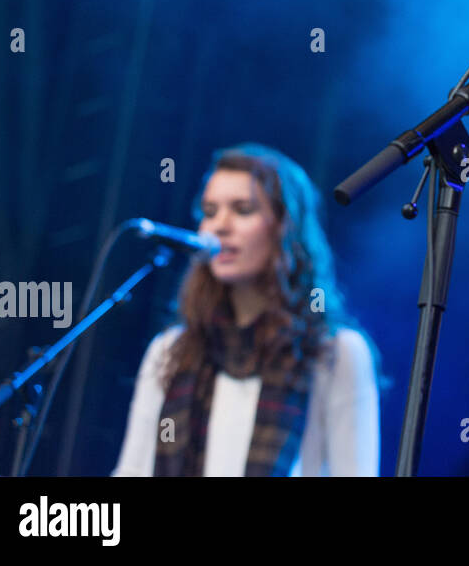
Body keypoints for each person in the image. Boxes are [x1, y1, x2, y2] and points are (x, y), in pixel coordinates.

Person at [112, 144, 381, 476]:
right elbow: (133, 471)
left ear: (284, 226)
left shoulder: (335, 353)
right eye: (209, 212)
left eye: (242, 209)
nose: (219, 226)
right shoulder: (172, 349)